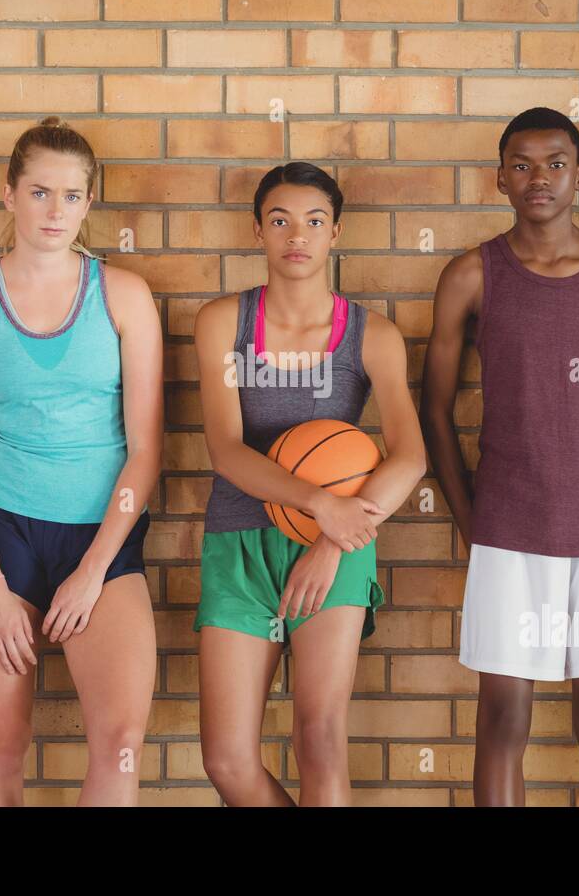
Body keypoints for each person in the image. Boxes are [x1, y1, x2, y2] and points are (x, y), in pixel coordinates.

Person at [422, 107, 579, 805]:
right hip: (509, 527)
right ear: (500, 178)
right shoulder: (471, 274)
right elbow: (433, 408)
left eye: (555, 163)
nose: (539, 178)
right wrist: (471, 521)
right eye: (521, 165)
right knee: (502, 722)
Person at [0, 118, 162, 806]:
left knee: (119, 742)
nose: (55, 210)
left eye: (71, 195)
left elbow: (146, 452)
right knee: (1, 744)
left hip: (102, 537)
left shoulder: (124, 295)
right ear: (10, 195)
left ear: (89, 203)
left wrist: (92, 572)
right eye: (39, 192)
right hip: (1, 536)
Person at [193, 162, 427, 806]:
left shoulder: (373, 335)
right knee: (226, 759)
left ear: (335, 233)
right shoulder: (222, 323)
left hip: (342, 543)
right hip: (239, 539)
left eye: (314, 221)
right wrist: (320, 503)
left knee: (319, 738)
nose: (297, 235)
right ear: (258, 231)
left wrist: (332, 537)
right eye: (280, 221)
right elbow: (225, 450)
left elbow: (410, 457)